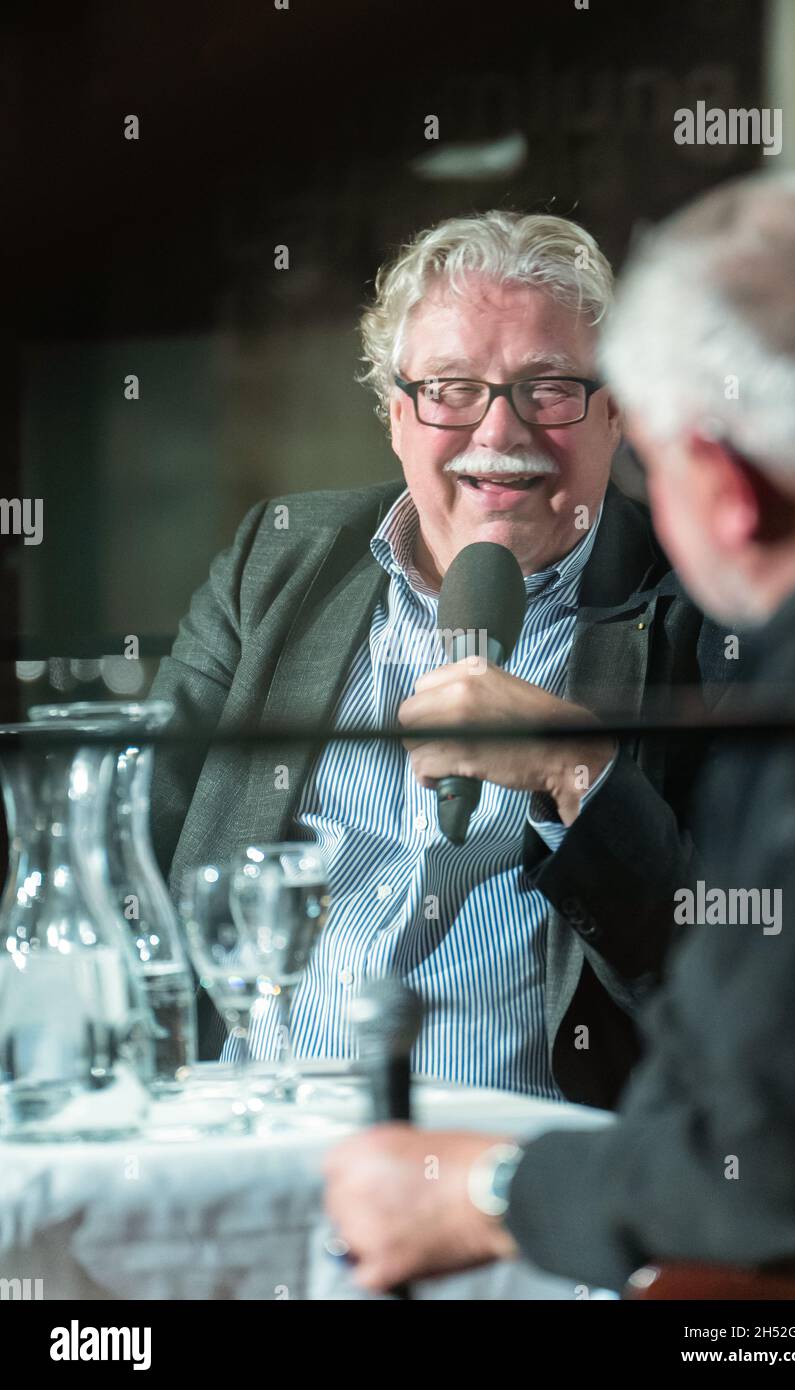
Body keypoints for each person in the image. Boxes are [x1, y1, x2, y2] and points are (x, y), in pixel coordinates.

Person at [323, 168, 795, 1291]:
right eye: (453, 389)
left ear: (720, 483)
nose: (503, 433)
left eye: (649, 459)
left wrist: (478, 1192)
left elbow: (750, 1163)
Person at [149, 210, 726, 1103]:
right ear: (397, 414)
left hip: (519, 1159)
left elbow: (736, 977)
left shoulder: (704, 611)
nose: (499, 433)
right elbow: (134, 839)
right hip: (248, 1133)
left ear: (616, 412)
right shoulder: (282, 560)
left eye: (549, 389)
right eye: (452, 389)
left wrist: (577, 770)